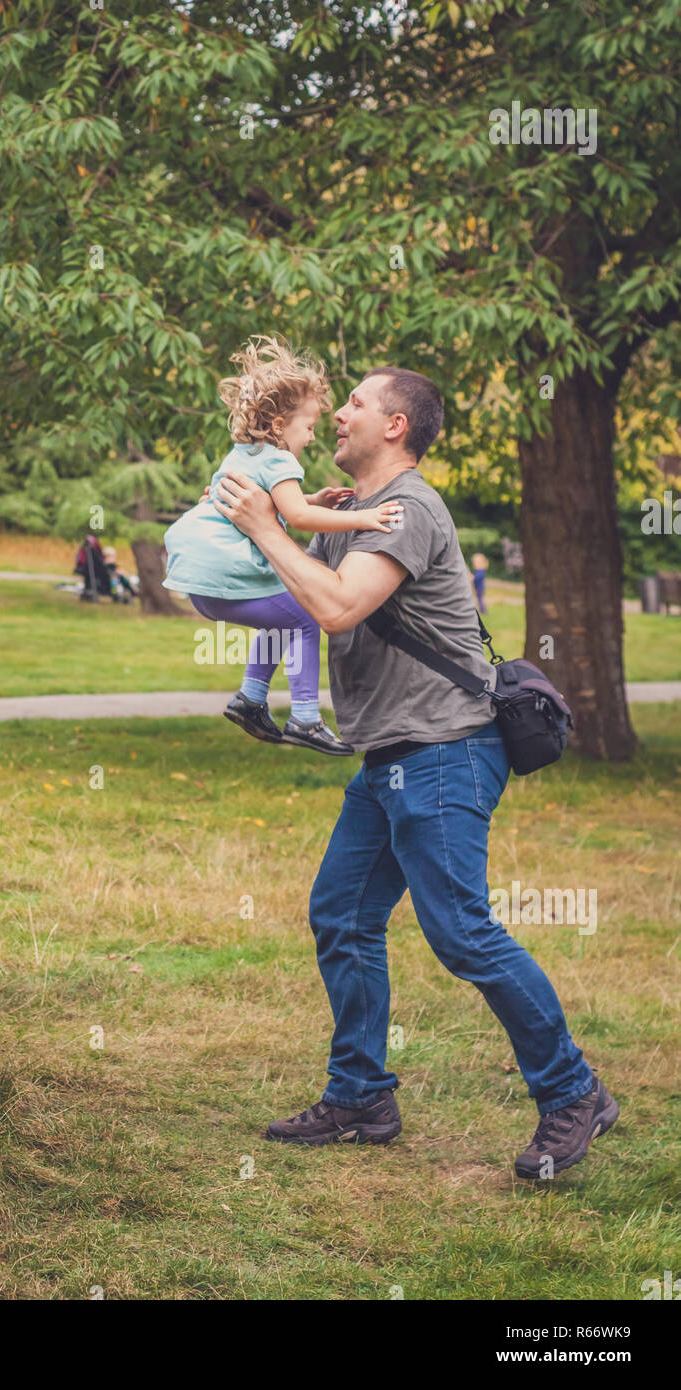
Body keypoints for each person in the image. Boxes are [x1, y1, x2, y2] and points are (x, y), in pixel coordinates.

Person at [212, 365, 619, 1180]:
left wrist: (269, 529)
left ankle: (574, 1092)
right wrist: (270, 525)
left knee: (463, 933)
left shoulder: (410, 511)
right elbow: (283, 592)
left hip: (445, 750)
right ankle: (362, 1095)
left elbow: (335, 607)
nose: (341, 415)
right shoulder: (348, 513)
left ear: (395, 425)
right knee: (343, 915)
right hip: (393, 756)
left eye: (356, 402)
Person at [162, 336, 402, 755]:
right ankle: (306, 719)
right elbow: (298, 519)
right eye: (308, 427)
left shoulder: (244, 453)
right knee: (306, 619)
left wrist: (312, 499)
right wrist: (361, 517)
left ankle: (251, 700)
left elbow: (281, 505)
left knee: (281, 618)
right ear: (279, 427)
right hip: (226, 573)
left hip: (200, 583)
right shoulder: (281, 460)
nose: (311, 438)